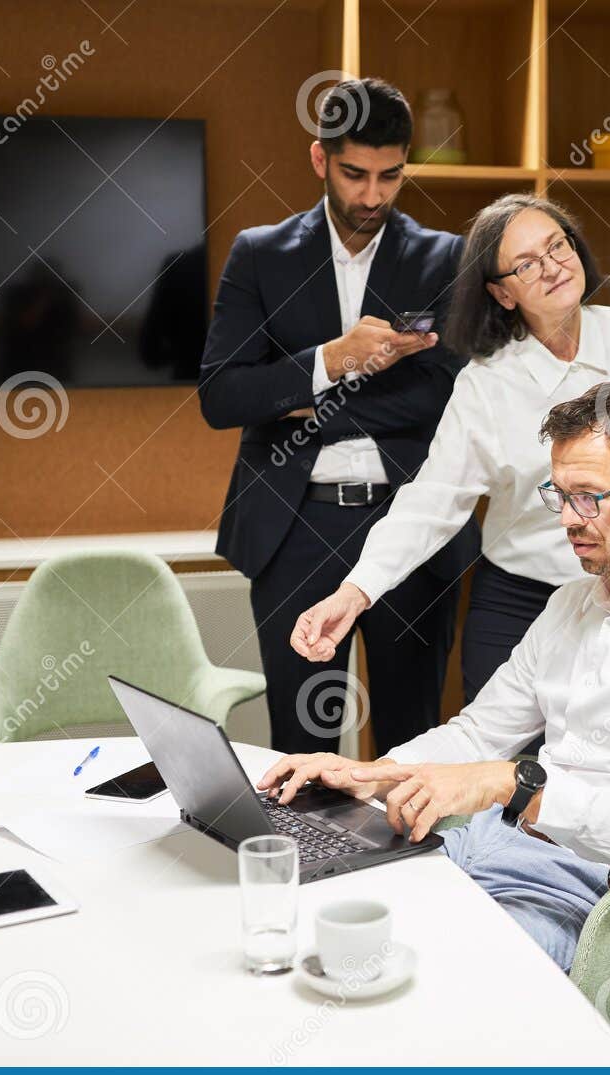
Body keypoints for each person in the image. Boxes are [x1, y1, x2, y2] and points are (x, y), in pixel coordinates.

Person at [260, 383, 610, 970]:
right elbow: (477, 736)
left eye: (587, 498)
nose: (567, 520)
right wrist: (364, 775)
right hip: (481, 842)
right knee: (311, 921)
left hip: (587, 892)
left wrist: (520, 787)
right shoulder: (570, 605)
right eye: (557, 495)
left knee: (430, 979)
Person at [288, 194, 610, 701]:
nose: (552, 267)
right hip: (524, 601)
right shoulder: (487, 383)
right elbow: (433, 501)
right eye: (526, 265)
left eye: (557, 246)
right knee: (499, 762)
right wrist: (355, 591)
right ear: (502, 293)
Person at [198, 77, 476, 755]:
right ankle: (305, 863)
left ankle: (408, 865)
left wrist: (299, 397)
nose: (372, 195)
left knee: (412, 743)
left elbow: (450, 394)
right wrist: (333, 359)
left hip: (409, 524)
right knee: (302, 747)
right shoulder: (260, 255)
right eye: (355, 174)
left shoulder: (445, 257)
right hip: (293, 529)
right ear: (320, 159)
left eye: (390, 175)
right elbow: (222, 396)